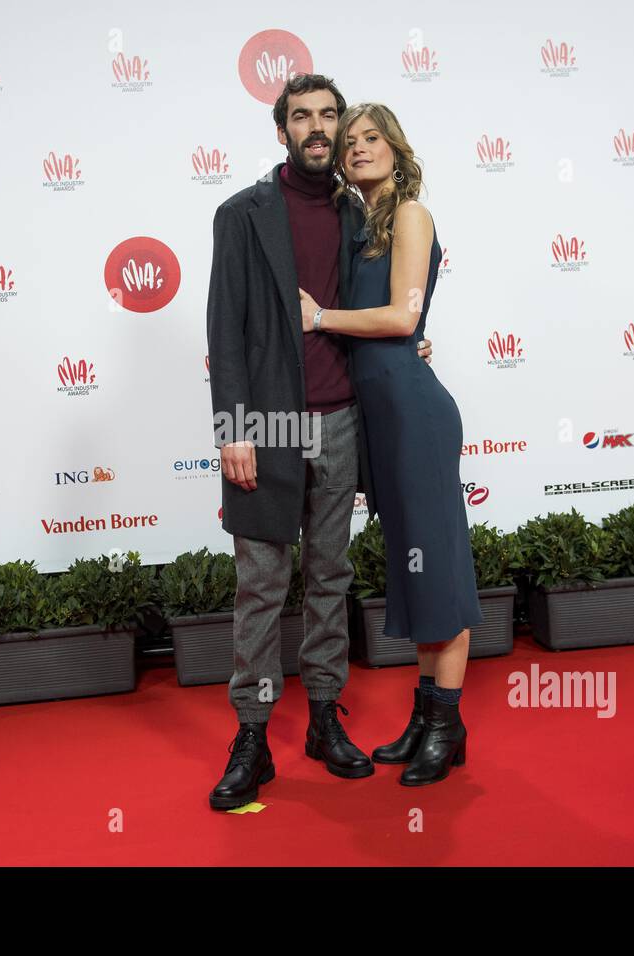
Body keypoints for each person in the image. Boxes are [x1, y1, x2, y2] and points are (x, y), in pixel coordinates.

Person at [204, 75, 433, 810]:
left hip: (339, 417)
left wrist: (414, 344)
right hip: (268, 425)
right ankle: (251, 736)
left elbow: (387, 305)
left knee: (330, 577)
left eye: (329, 116)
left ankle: (325, 718)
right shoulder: (241, 214)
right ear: (281, 131)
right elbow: (225, 332)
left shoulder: (359, 212)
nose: (318, 128)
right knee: (262, 584)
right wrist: (233, 427)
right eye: (302, 116)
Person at [298, 102, 481, 786]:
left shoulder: (409, 215)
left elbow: (404, 314)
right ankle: (428, 717)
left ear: (397, 150)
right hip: (378, 414)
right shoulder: (356, 224)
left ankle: (446, 724)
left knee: (439, 570)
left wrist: (322, 317)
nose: (358, 149)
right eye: (349, 142)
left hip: (413, 413)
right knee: (413, 571)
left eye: (371, 138)